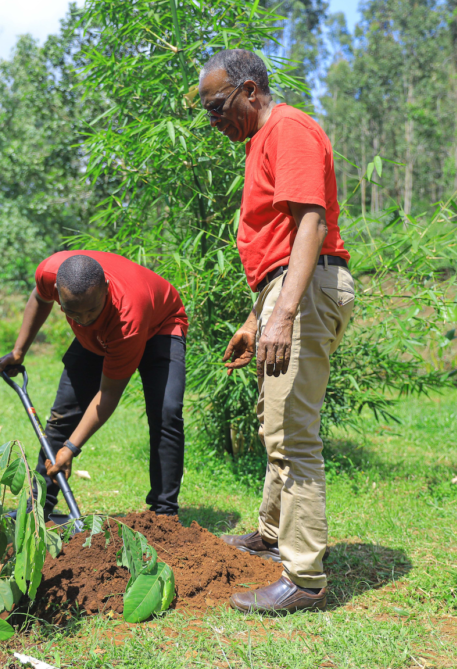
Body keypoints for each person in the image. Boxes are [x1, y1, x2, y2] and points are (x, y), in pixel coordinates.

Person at [198, 50, 355, 613]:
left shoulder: (288, 130)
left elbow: (310, 221)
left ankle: (305, 577)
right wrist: (257, 315)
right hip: (285, 291)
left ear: (249, 90)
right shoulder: (260, 142)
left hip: (303, 293)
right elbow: (278, 242)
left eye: (218, 107)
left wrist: (285, 312)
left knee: (293, 433)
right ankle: (271, 534)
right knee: (275, 421)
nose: (215, 121)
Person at [0, 251, 188, 517]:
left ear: (105, 289)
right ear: (60, 294)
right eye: (73, 312)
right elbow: (40, 299)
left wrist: (71, 448)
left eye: (91, 310)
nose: (84, 320)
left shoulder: (127, 320)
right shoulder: (50, 273)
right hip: (100, 335)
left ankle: (164, 515)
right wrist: (19, 351)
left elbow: (108, 394)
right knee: (63, 415)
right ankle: (37, 508)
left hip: (160, 326)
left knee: (165, 412)